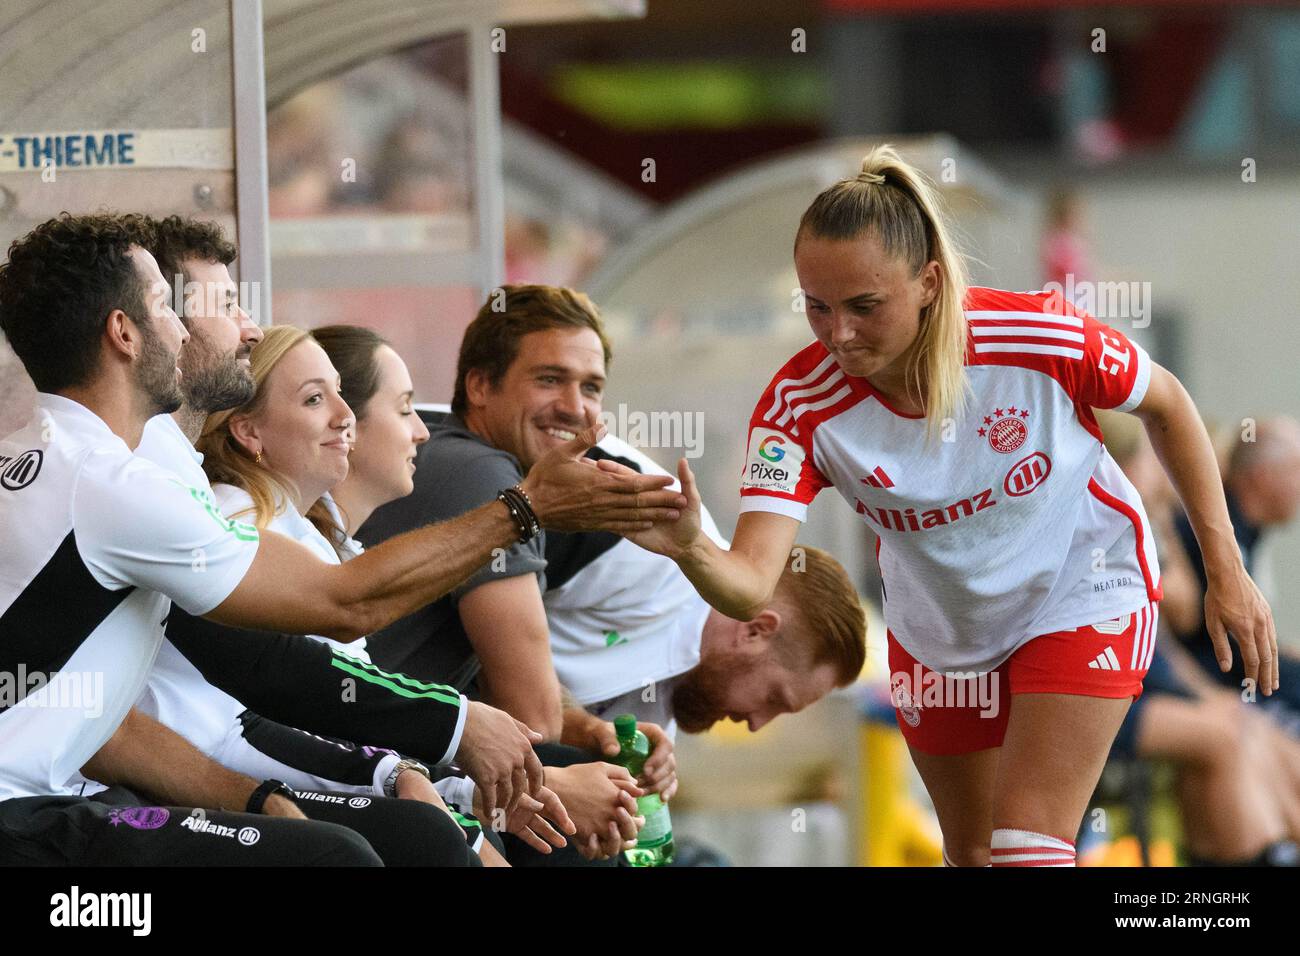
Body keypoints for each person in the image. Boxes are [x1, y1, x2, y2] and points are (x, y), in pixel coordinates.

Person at [626, 144, 1279, 867]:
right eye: (817, 307)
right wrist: (691, 544)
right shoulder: (798, 405)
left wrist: (1227, 572)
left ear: (930, 282)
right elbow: (749, 580)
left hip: (1084, 584)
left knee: (1028, 844)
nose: (838, 333)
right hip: (942, 626)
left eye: (865, 306)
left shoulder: (1035, 334)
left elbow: (1170, 405)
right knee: (971, 856)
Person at [0, 212, 683, 864]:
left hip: (50, 801)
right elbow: (334, 609)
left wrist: (293, 789)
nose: (189, 329)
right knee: (338, 856)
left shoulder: (77, 458)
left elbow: (230, 669)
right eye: (169, 306)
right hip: (24, 813)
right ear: (124, 332)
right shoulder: (117, 482)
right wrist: (525, 508)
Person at [1099, 410, 1300, 866]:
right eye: (1155, 459)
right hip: (1104, 695)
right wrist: (1161, 517)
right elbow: (1182, 615)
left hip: (1144, 685)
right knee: (1229, 735)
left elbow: (1169, 636)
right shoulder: (1111, 522)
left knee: (1245, 727)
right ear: (1123, 465)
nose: (1165, 472)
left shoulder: (1146, 520)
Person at [1171, 415, 1300, 714]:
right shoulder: (1218, 533)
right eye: (1296, 470)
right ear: (1263, 475)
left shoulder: (1247, 532)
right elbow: (1237, 649)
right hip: (1211, 692)